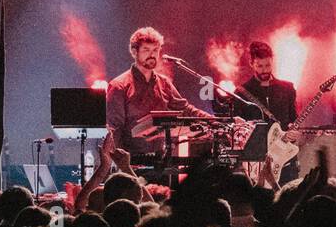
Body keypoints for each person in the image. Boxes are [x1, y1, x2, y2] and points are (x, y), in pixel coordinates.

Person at [104, 27, 211, 156]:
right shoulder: (119, 86)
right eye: (146, 50)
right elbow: (114, 129)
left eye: (155, 50)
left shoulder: (164, 83)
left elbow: (186, 110)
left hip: (163, 159)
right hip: (133, 160)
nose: (152, 54)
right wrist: (121, 163)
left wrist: (215, 120)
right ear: (134, 51)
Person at [233, 41, 297, 128]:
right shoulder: (241, 92)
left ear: (272, 61)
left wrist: (294, 130)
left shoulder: (287, 88)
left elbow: (293, 119)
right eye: (260, 66)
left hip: (283, 141)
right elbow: (238, 127)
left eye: (268, 65)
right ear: (251, 64)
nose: (265, 70)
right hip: (256, 141)